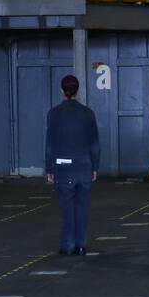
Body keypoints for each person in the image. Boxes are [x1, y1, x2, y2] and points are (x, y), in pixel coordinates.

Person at [45, 74, 100, 255]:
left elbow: (50, 144)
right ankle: (81, 245)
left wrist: (49, 169)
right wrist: (95, 167)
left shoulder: (54, 114)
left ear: (62, 91)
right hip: (84, 165)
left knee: (67, 208)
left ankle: (67, 245)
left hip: (63, 167)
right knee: (82, 207)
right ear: (77, 91)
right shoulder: (88, 113)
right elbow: (95, 144)